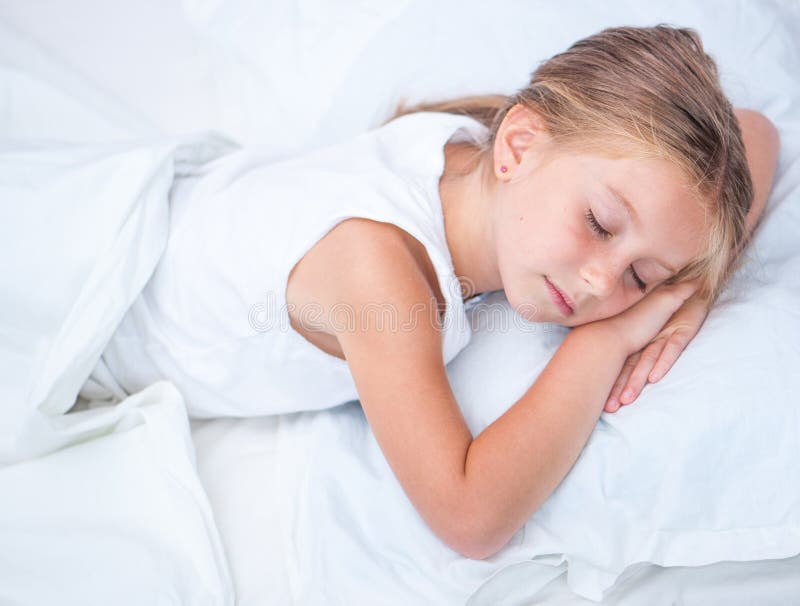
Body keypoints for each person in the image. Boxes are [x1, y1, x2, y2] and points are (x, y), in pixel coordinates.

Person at [89, 25, 779, 559]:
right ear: (517, 146)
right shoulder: (379, 272)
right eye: (599, 225)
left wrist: (685, 297)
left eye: (641, 276)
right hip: (95, 299)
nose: (603, 282)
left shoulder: (493, 167)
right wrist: (614, 336)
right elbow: (469, 517)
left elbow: (755, 134)